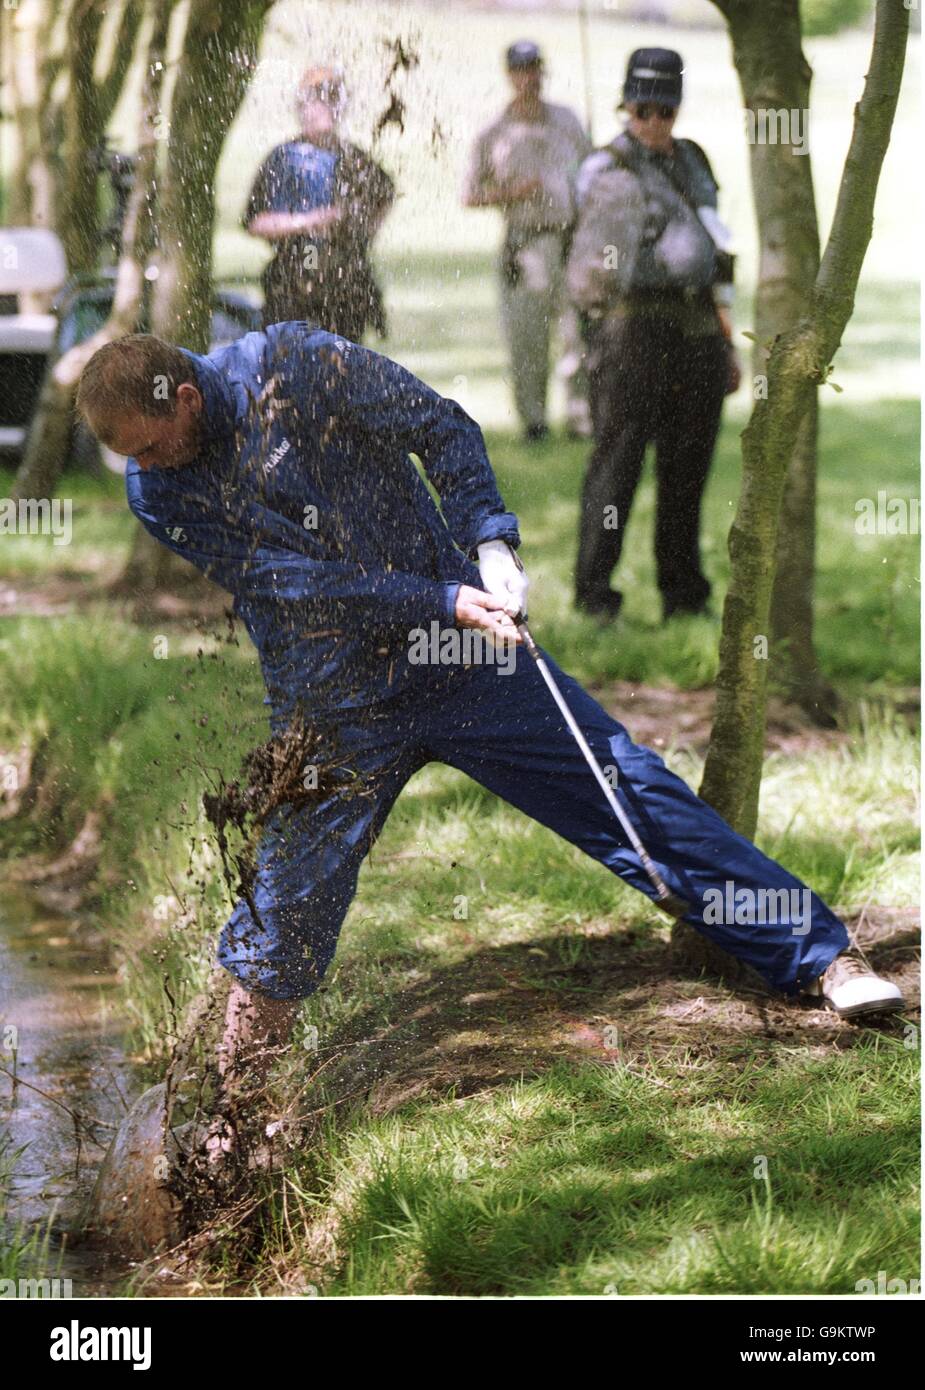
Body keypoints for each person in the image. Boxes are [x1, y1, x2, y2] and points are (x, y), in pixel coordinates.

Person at [76, 328, 903, 1160]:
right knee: (287, 902)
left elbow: (439, 426)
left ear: (180, 398)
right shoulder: (160, 494)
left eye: (154, 447)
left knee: (621, 787)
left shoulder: (290, 366)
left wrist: (489, 542)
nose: (151, 467)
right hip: (337, 700)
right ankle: (234, 1122)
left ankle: (823, 958)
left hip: (470, 662)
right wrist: (439, 599)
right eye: (134, 459)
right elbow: (294, 585)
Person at [567, 48, 739, 622]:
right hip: (631, 331)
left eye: (664, 108)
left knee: (687, 470)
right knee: (617, 467)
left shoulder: (693, 161)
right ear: (627, 104)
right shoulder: (603, 168)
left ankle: (684, 596)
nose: (654, 120)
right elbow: (588, 267)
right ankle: (595, 599)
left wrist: (728, 339)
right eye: (643, 107)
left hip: (697, 331)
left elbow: (719, 251)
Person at [463, 40, 592, 442]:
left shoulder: (567, 121)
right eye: (521, 70)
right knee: (528, 338)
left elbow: (592, 171)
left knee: (578, 334)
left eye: (534, 68)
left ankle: (581, 418)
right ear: (509, 75)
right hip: (524, 241)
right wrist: (514, 192)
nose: (529, 77)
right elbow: (470, 194)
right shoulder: (493, 132)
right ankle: (534, 421)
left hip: (570, 238)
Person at [243, 64, 395, 341]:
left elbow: (385, 194)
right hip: (292, 283)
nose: (324, 107)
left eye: (331, 99)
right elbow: (256, 221)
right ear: (301, 106)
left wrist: (362, 230)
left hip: (344, 287)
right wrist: (308, 222)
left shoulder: (355, 159)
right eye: (317, 99)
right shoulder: (283, 158)